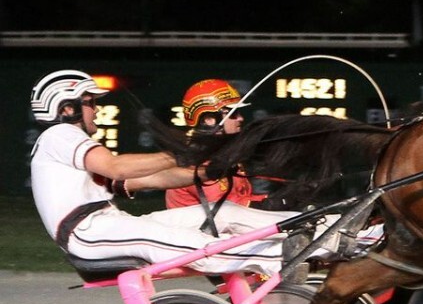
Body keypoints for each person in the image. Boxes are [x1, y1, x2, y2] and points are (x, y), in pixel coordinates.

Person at [28, 69, 294, 276]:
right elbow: (116, 166)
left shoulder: (67, 148)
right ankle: (279, 258)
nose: (96, 109)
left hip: (108, 225)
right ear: (67, 108)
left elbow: (150, 180)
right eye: (89, 102)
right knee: (190, 243)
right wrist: (178, 153)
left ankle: (301, 229)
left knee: (224, 213)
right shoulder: (59, 135)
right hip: (88, 233)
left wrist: (203, 173)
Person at [164, 78, 266, 211]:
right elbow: (229, 209)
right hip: (209, 222)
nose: (241, 118)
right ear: (209, 120)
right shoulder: (198, 162)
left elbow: (244, 199)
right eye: (233, 114)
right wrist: (277, 203)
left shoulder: (221, 153)